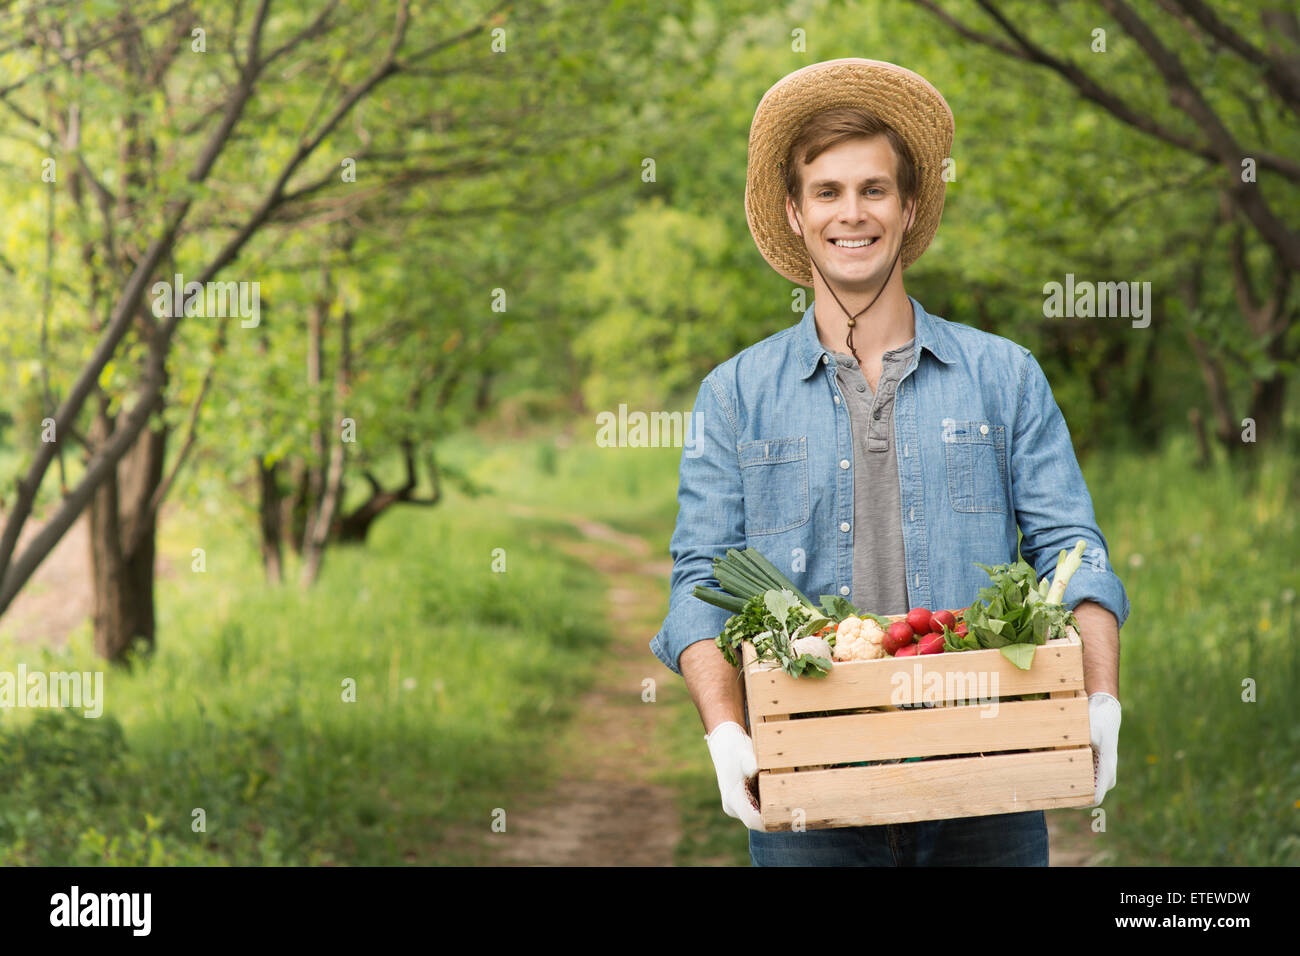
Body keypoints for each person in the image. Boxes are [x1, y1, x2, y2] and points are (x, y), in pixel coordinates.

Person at [648, 59, 1127, 866]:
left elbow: (1072, 549)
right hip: (809, 780)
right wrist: (726, 730)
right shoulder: (734, 395)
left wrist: (1101, 694)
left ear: (909, 208)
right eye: (827, 193)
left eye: (874, 190)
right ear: (795, 214)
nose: (852, 213)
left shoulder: (1002, 376)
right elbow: (700, 577)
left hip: (989, 770)